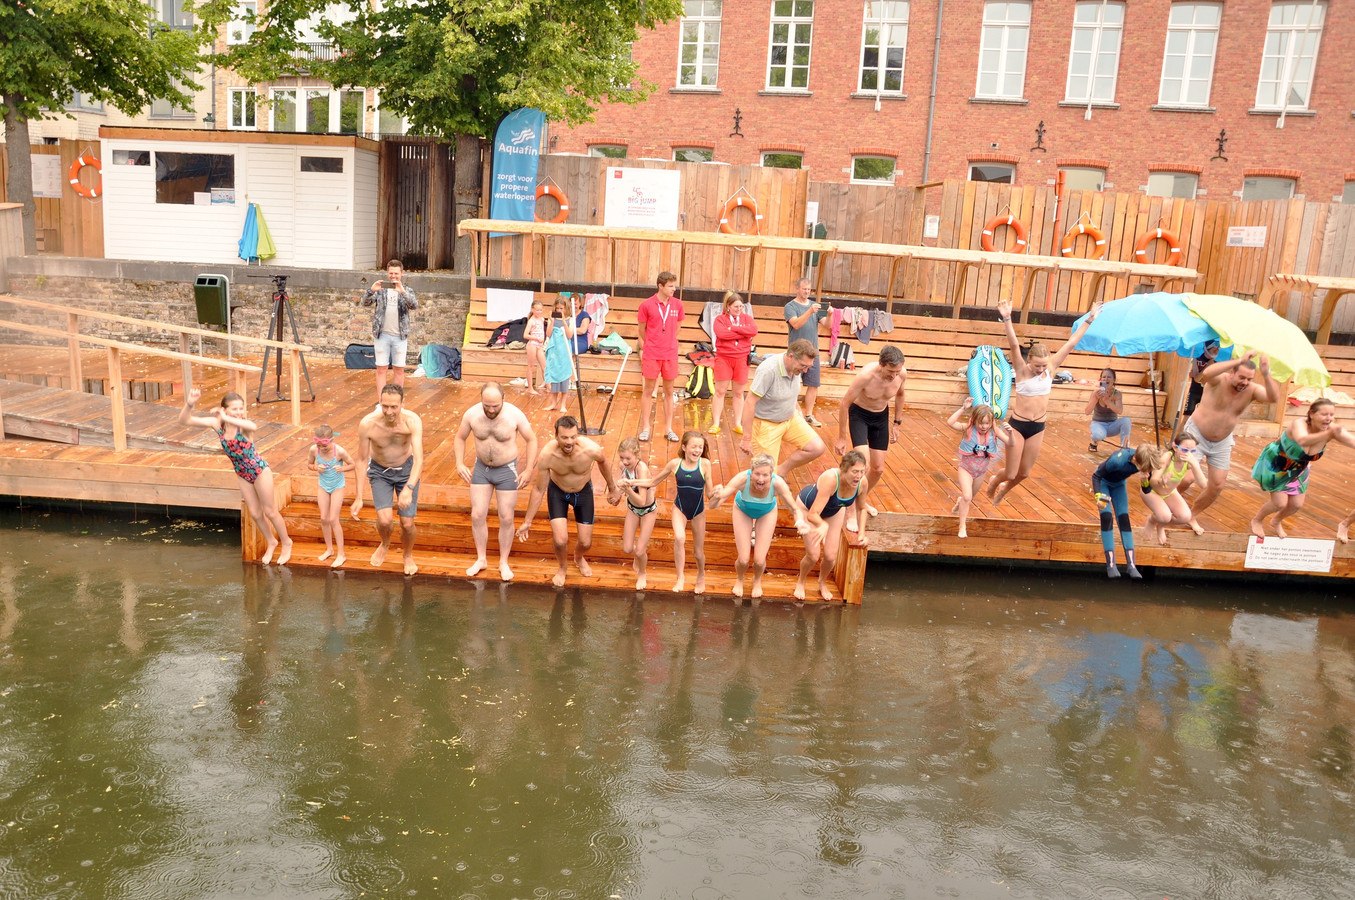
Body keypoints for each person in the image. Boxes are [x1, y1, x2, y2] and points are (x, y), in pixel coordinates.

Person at [987, 298, 1102, 506]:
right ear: (1029, 360)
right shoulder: (1022, 371)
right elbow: (1013, 344)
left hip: (1038, 426)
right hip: (1018, 426)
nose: (1041, 369)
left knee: (1024, 474)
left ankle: (1004, 490)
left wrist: (1090, 319)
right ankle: (996, 481)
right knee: (1011, 472)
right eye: (1037, 365)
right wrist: (1006, 319)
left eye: (1043, 366)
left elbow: (1072, 343)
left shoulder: (1050, 368)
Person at [179, 388, 292, 565]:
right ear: (224, 410)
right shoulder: (218, 424)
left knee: (269, 511)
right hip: (242, 474)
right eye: (235, 409)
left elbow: (253, 427)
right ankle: (271, 541)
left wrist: (225, 417)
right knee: (255, 513)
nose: (239, 412)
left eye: (241, 408)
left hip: (259, 471)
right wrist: (190, 403)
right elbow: (184, 420)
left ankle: (287, 543)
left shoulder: (243, 426)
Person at [517, 416, 623, 587]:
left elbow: (603, 461)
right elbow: (538, 489)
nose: (569, 442)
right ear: (556, 436)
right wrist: (527, 521)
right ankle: (562, 567)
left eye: (573, 437)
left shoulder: (590, 449)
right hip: (558, 492)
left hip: (583, 492)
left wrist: (612, 488)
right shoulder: (547, 455)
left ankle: (578, 557)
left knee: (585, 542)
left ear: (577, 435)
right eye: (564, 437)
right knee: (560, 540)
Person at [1182, 350, 1280, 521]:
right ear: (1232, 372)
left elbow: (1273, 398)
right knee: (1187, 477)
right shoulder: (1218, 380)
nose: (1245, 382)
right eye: (1242, 377)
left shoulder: (1252, 389)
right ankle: (1165, 503)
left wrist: (1266, 374)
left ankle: (1192, 515)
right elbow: (1207, 373)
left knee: (1217, 485)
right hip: (1196, 433)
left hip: (1222, 441)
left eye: (1249, 379)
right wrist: (1237, 361)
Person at [454, 383, 538, 581]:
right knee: (477, 514)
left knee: (506, 516)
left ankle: (503, 562)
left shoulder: (514, 415)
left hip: (506, 469)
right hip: (482, 468)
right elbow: (459, 437)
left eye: (495, 406)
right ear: (481, 399)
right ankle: (481, 559)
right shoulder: (472, 414)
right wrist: (459, 463)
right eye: (487, 406)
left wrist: (528, 470)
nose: (491, 410)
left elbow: (531, 440)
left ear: (503, 399)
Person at [623, 431, 716, 594]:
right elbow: (652, 482)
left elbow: (709, 493)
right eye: (694, 446)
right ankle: (680, 577)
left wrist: (717, 493)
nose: (697, 450)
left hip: (698, 510)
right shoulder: (675, 464)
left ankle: (701, 575)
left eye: (700, 447)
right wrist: (631, 482)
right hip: (679, 508)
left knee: (698, 552)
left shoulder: (705, 464)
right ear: (684, 447)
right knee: (679, 538)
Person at [1250, 399, 1355, 538]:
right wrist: (1329, 434)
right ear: (1311, 414)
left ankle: (1276, 521)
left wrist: (1332, 432)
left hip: (1299, 468)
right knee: (1280, 503)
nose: (1329, 418)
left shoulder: (1331, 429)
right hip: (1277, 464)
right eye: (1324, 414)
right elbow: (1303, 440)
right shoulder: (1298, 424)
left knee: (1296, 505)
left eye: (1331, 414)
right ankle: (1257, 520)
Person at [350, 383, 424, 576]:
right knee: (384, 521)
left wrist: (409, 487)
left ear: (402, 404)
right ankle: (385, 543)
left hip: (406, 470)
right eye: (385, 406)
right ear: (380, 403)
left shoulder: (412, 421)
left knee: (407, 523)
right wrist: (358, 497)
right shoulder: (368, 424)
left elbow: (419, 459)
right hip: (379, 471)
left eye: (394, 407)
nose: (389, 411)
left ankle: (407, 554)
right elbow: (360, 460)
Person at [711, 453, 806, 600]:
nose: (760, 479)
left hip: (766, 512)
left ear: (771, 474)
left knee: (759, 560)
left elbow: (795, 509)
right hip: (743, 510)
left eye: (765, 475)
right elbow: (715, 505)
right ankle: (740, 578)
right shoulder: (742, 479)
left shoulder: (778, 484)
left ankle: (757, 580)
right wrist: (715, 496)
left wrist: (800, 523)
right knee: (743, 559)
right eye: (757, 474)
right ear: (751, 471)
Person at [833, 344, 907, 528]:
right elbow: (844, 404)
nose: (894, 375)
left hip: (881, 417)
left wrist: (897, 423)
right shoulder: (866, 376)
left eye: (897, 372)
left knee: (878, 468)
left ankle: (861, 500)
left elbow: (900, 395)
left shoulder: (901, 374)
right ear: (881, 364)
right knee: (862, 465)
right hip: (860, 415)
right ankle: (849, 510)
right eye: (891, 371)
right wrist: (842, 437)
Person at [739, 339, 827, 478]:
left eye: (808, 367)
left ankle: (781, 471)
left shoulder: (796, 368)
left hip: (790, 419)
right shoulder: (769, 370)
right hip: (766, 425)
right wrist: (746, 438)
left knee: (816, 447)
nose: (805, 370)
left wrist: (798, 412)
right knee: (765, 475)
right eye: (803, 366)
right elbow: (750, 402)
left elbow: (792, 393)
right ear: (791, 356)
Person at [795, 451, 870, 602]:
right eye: (855, 472)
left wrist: (862, 533)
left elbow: (862, 508)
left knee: (830, 556)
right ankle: (801, 581)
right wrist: (822, 525)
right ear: (843, 470)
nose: (858, 476)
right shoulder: (831, 479)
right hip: (807, 509)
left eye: (862, 472)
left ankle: (822, 582)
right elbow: (813, 514)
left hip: (834, 511)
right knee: (813, 555)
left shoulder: (862, 483)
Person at [945, 399, 1011, 539]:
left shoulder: (995, 432)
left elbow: (1011, 443)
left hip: (980, 472)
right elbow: (950, 422)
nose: (984, 426)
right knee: (967, 496)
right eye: (981, 422)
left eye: (987, 423)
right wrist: (963, 408)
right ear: (974, 421)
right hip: (966, 469)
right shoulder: (968, 429)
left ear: (991, 422)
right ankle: (962, 527)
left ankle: (959, 503)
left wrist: (1011, 433)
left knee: (969, 498)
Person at [1091, 445, 1155, 579]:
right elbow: (1096, 475)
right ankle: (1111, 565)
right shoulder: (1117, 461)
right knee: (1107, 518)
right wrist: (1098, 496)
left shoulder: (1148, 463)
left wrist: (1144, 482)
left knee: (1124, 520)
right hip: (1103, 483)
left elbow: (1147, 490)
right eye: (1146, 468)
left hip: (1119, 485)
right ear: (1136, 462)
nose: (1148, 471)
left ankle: (1131, 565)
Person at [358, 259, 418, 403]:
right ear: (387, 273)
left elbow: (414, 305)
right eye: (391, 273)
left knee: (399, 370)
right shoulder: (381, 290)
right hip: (382, 335)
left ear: (402, 273)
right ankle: (382, 402)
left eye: (396, 273)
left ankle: (397, 401)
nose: (393, 276)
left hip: (400, 336)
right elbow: (364, 303)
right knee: (381, 369)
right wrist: (371, 290)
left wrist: (402, 292)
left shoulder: (407, 290)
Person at [637, 271, 685, 442]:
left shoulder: (678, 305)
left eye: (674, 285)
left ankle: (668, 428)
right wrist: (652, 341)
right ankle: (645, 427)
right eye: (670, 286)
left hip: (670, 352)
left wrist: (668, 338)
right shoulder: (647, 304)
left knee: (669, 390)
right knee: (649, 390)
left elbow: (678, 324)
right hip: (652, 352)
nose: (674, 289)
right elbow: (641, 329)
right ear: (661, 286)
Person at [1141, 433, 1208, 545]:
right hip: (1152, 491)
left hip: (1169, 492)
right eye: (1185, 450)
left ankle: (1161, 526)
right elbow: (1153, 480)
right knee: (1165, 516)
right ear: (1175, 447)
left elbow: (1203, 485)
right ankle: (1152, 520)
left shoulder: (1189, 461)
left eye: (1193, 451)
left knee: (1185, 517)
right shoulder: (1167, 458)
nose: (1189, 454)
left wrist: (1195, 465)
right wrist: (1163, 480)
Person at [709, 290, 759, 436]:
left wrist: (735, 328)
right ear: (728, 306)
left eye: (741, 307)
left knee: (738, 393)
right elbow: (722, 334)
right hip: (724, 358)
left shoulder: (747, 318)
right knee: (720, 391)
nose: (739, 309)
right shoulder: (720, 319)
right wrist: (743, 332)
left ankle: (738, 423)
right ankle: (716, 423)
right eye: (736, 307)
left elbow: (753, 331)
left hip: (742, 359)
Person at [307, 424, 354, 568]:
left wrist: (342, 468)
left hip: (337, 486)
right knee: (323, 518)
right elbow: (309, 464)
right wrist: (315, 468)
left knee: (333, 518)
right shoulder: (314, 450)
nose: (322, 449)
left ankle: (341, 554)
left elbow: (353, 464)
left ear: (332, 440)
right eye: (319, 446)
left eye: (325, 447)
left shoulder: (339, 452)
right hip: (323, 485)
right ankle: (329, 549)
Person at [783, 277, 829, 426]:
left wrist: (830, 314)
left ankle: (808, 415)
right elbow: (796, 324)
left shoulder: (815, 306)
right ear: (797, 289)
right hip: (796, 352)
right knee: (793, 383)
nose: (807, 292)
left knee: (813, 384)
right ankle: (793, 413)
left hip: (813, 352)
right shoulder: (790, 306)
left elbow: (827, 325)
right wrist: (809, 311)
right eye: (804, 289)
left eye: (809, 289)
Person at [616, 437, 659, 590]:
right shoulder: (623, 466)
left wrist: (627, 489)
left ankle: (642, 572)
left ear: (637, 456)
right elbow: (621, 490)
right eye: (622, 457)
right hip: (632, 509)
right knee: (628, 549)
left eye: (628, 458)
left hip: (647, 510)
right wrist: (616, 494)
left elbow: (641, 501)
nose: (625, 461)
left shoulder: (642, 469)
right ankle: (638, 555)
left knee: (640, 549)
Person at [1085, 367, 1131, 453]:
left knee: (1127, 420)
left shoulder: (1117, 394)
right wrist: (1095, 399)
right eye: (1104, 377)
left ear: (1114, 380)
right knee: (1098, 435)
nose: (1106, 379)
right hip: (1098, 423)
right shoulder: (1096, 393)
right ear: (1101, 379)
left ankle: (1124, 448)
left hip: (1112, 424)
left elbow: (1119, 411)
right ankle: (1094, 443)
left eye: (1109, 377)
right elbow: (1087, 412)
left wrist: (1108, 401)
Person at [544, 296, 576, 413]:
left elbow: (569, 335)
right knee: (554, 377)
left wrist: (563, 321)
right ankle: (553, 403)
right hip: (554, 351)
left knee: (564, 378)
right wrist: (552, 322)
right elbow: (548, 334)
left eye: (561, 308)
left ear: (566, 308)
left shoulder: (570, 320)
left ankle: (563, 404)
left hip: (565, 351)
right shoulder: (552, 319)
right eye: (557, 308)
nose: (559, 311)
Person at [1183, 340, 1222, 417]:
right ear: (1206, 349)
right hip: (1194, 393)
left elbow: (1210, 381)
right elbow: (1197, 379)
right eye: (1214, 349)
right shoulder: (1196, 359)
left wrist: (1200, 375)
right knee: (1186, 418)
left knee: (1205, 419)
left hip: (1207, 395)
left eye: (1218, 349)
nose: (1217, 351)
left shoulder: (1216, 364)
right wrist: (1207, 367)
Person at [523, 299, 548, 395]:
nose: (539, 312)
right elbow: (525, 335)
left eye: (541, 310)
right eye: (537, 310)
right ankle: (530, 387)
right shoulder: (531, 321)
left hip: (539, 345)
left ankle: (546, 383)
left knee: (544, 365)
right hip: (532, 344)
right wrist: (536, 338)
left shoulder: (542, 319)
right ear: (532, 310)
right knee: (531, 366)